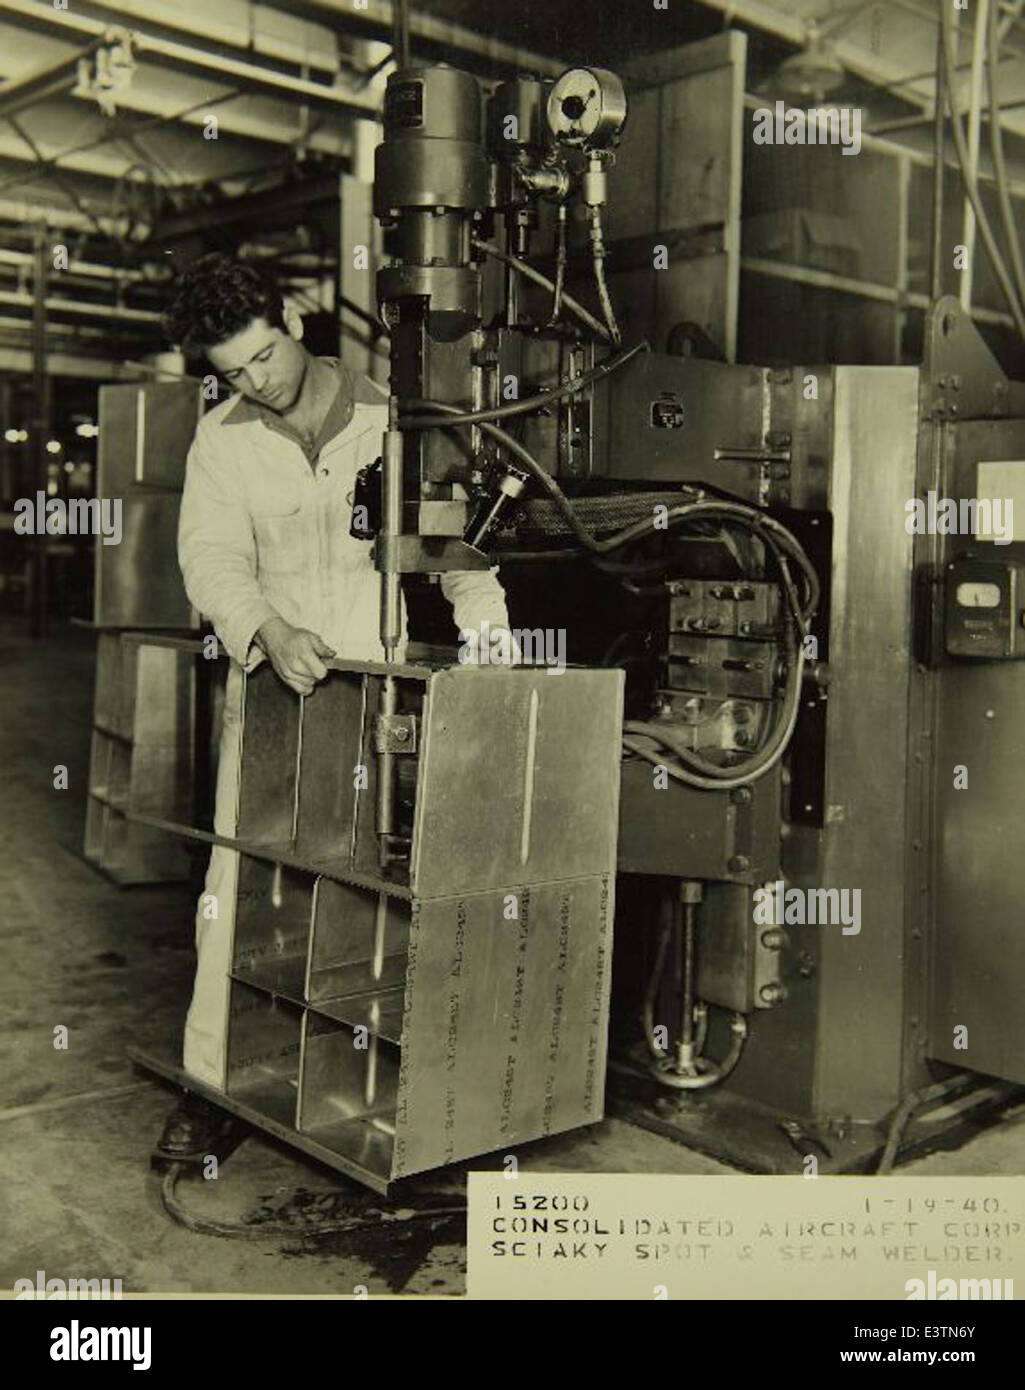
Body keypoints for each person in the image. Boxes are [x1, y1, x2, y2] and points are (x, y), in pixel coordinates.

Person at [157, 253, 513, 1156]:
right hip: (276, 689)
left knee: (386, 883)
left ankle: (390, 1090)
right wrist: (264, 628)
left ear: (296, 325)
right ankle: (211, 1088)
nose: (254, 382)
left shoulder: (395, 417)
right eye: (230, 371)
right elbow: (210, 561)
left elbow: (457, 543)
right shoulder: (223, 439)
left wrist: (491, 637)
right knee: (237, 883)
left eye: (263, 357)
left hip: (383, 692)